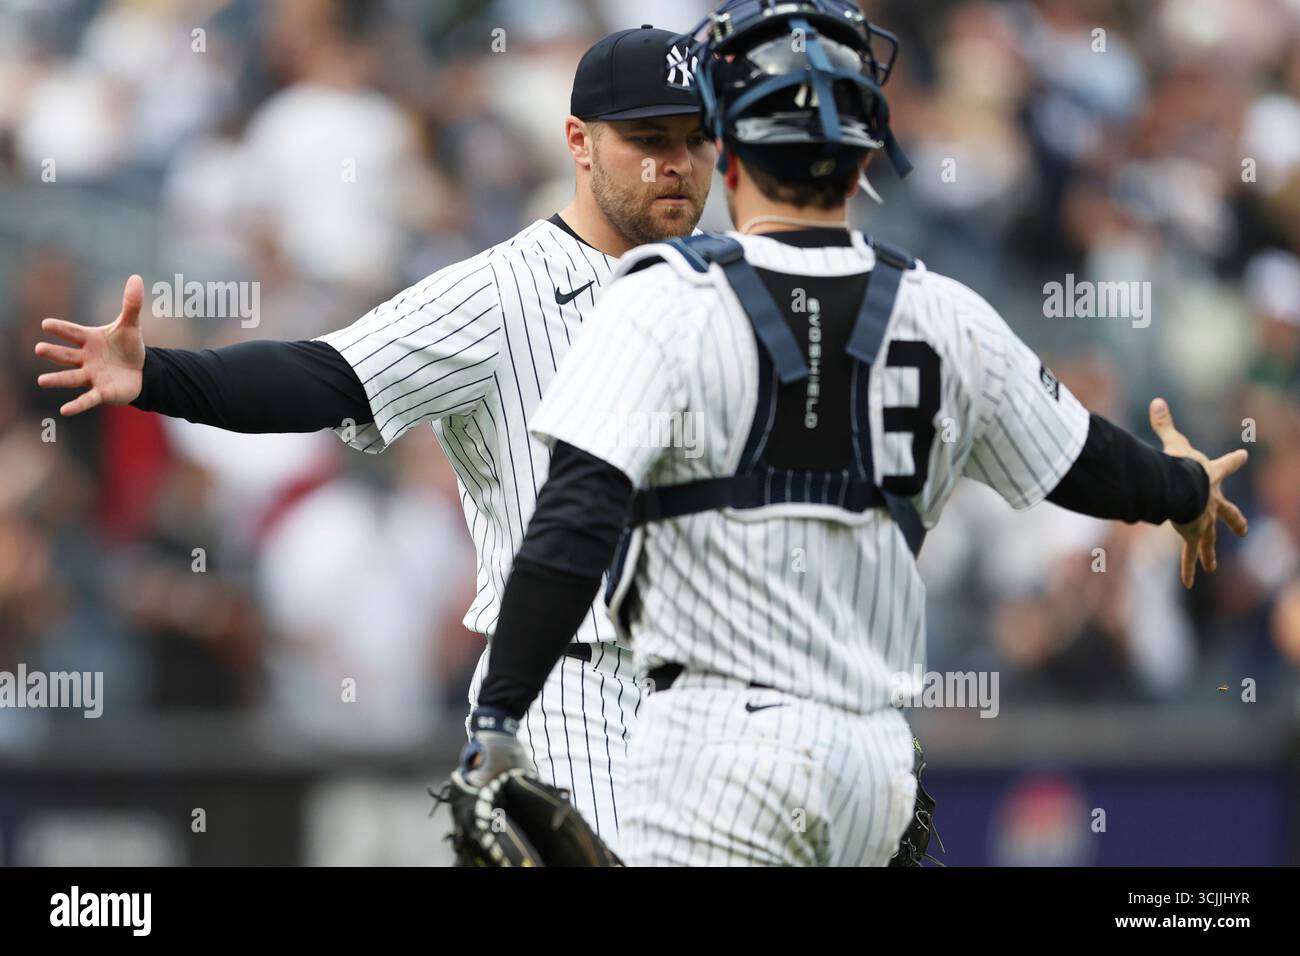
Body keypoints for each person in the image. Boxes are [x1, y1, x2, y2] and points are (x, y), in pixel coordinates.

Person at [451, 0, 1249, 866]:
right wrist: (1186, 488)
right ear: (870, 156)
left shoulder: (662, 297)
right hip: (870, 762)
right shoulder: (948, 314)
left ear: (729, 153)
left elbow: (574, 518)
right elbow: (1085, 460)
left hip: (715, 742)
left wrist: (497, 718)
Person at [34, 25, 716, 853]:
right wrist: (162, 377)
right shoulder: (500, 293)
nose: (675, 162)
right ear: (578, 140)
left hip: (722, 698)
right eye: (647, 139)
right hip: (577, 692)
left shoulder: (735, 293)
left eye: (695, 137)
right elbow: (324, 376)